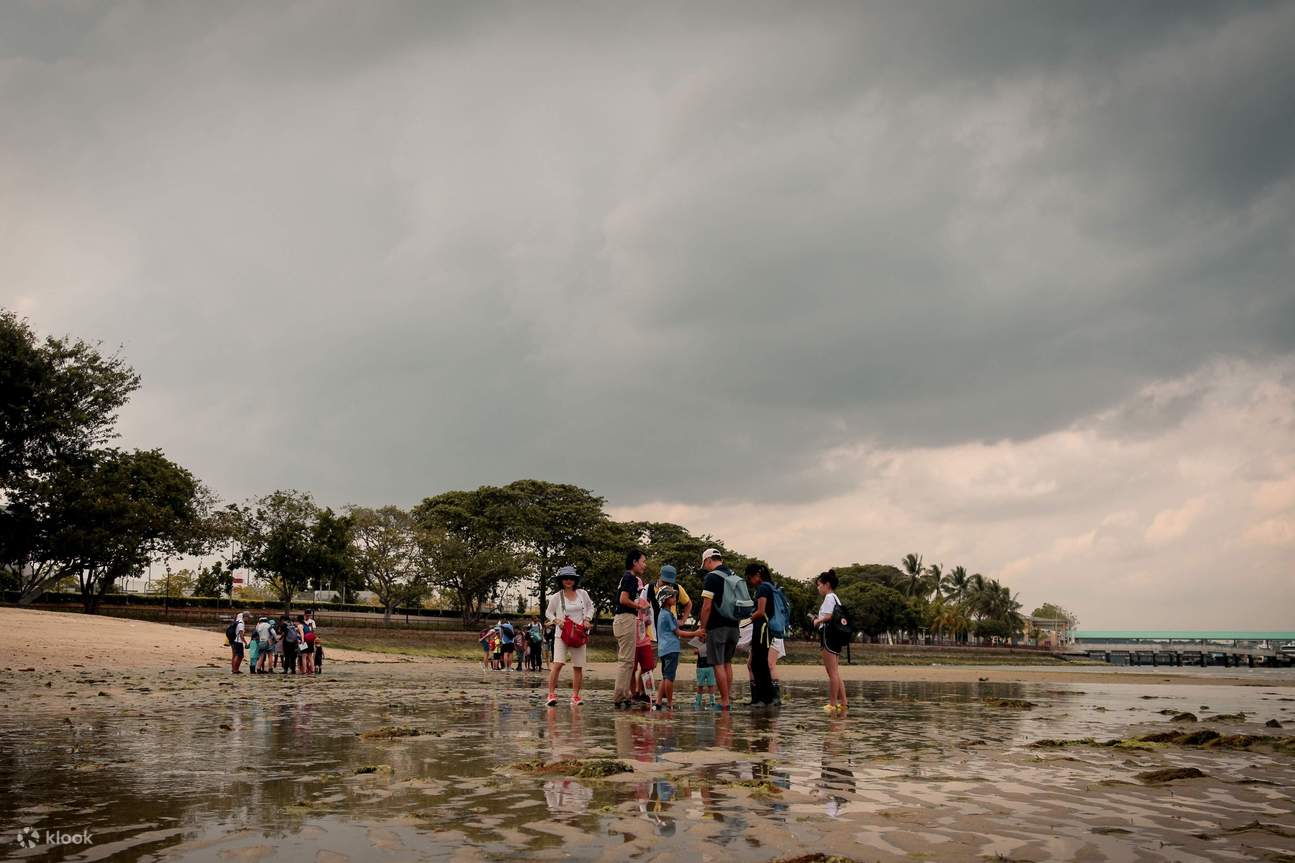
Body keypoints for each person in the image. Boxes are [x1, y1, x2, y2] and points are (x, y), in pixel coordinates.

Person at [696, 548, 740, 711]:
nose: (706, 567)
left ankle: (725, 702)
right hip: (734, 626)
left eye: (705, 564)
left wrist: (702, 628)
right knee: (727, 663)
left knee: (718, 664)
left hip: (717, 627)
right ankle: (727, 699)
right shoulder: (734, 576)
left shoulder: (711, 577)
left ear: (708, 560)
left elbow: (707, 606)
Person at [544, 565, 595, 707]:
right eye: (565, 578)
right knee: (558, 663)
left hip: (579, 634)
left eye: (571, 578)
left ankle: (575, 696)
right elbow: (548, 613)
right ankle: (551, 694)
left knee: (578, 666)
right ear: (560, 580)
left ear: (575, 580)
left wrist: (587, 619)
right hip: (562, 634)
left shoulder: (582, 594)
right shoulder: (556, 596)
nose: (568, 581)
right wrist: (556, 621)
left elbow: (591, 607)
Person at [653, 587, 702, 711]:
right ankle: (670, 703)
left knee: (665, 676)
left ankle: (658, 702)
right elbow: (678, 632)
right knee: (669, 677)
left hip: (664, 649)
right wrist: (696, 633)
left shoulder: (662, 614)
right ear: (665, 600)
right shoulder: (667, 615)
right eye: (672, 596)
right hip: (671, 649)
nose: (675, 598)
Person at [613, 548, 649, 709]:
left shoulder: (626, 577)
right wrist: (638, 607)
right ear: (634, 562)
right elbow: (623, 599)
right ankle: (620, 694)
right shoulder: (631, 578)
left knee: (627, 660)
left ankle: (625, 693)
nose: (644, 565)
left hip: (622, 620)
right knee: (626, 660)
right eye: (643, 561)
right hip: (626, 619)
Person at [811, 570, 848, 713]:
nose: (818, 587)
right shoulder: (836, 597)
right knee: (835, 672)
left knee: (831, 672)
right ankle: (843, 702)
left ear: (827, 584)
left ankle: (832, 703)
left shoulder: (829, 597)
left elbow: (828, 616)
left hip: (828, 635)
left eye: (819, 585)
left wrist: (816, 621)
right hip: (836, 637)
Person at [746, 563, 776, 706]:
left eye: (749, 578)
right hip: (765, 628)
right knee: (759, 662)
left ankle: (764, 698)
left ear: (757, 575)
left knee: (759, 662)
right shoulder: (769, 586)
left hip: (763, 628)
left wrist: (746, 620)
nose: (750, 582)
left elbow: (760, 611)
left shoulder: (763, 588)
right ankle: (763, 698)